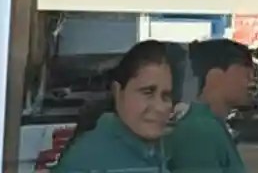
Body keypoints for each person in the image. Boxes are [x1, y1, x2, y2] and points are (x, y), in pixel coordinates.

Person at [56, 40, 174, 173]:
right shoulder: (91, 159)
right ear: (118, 92)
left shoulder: (158, 150)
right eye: (147, 92)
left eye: (166, 96)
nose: (159, 107)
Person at [167, 38, 254, 173]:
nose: (252, 84)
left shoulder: (208, 125)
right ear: (215, 76)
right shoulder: (199, 130)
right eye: (247, 75)